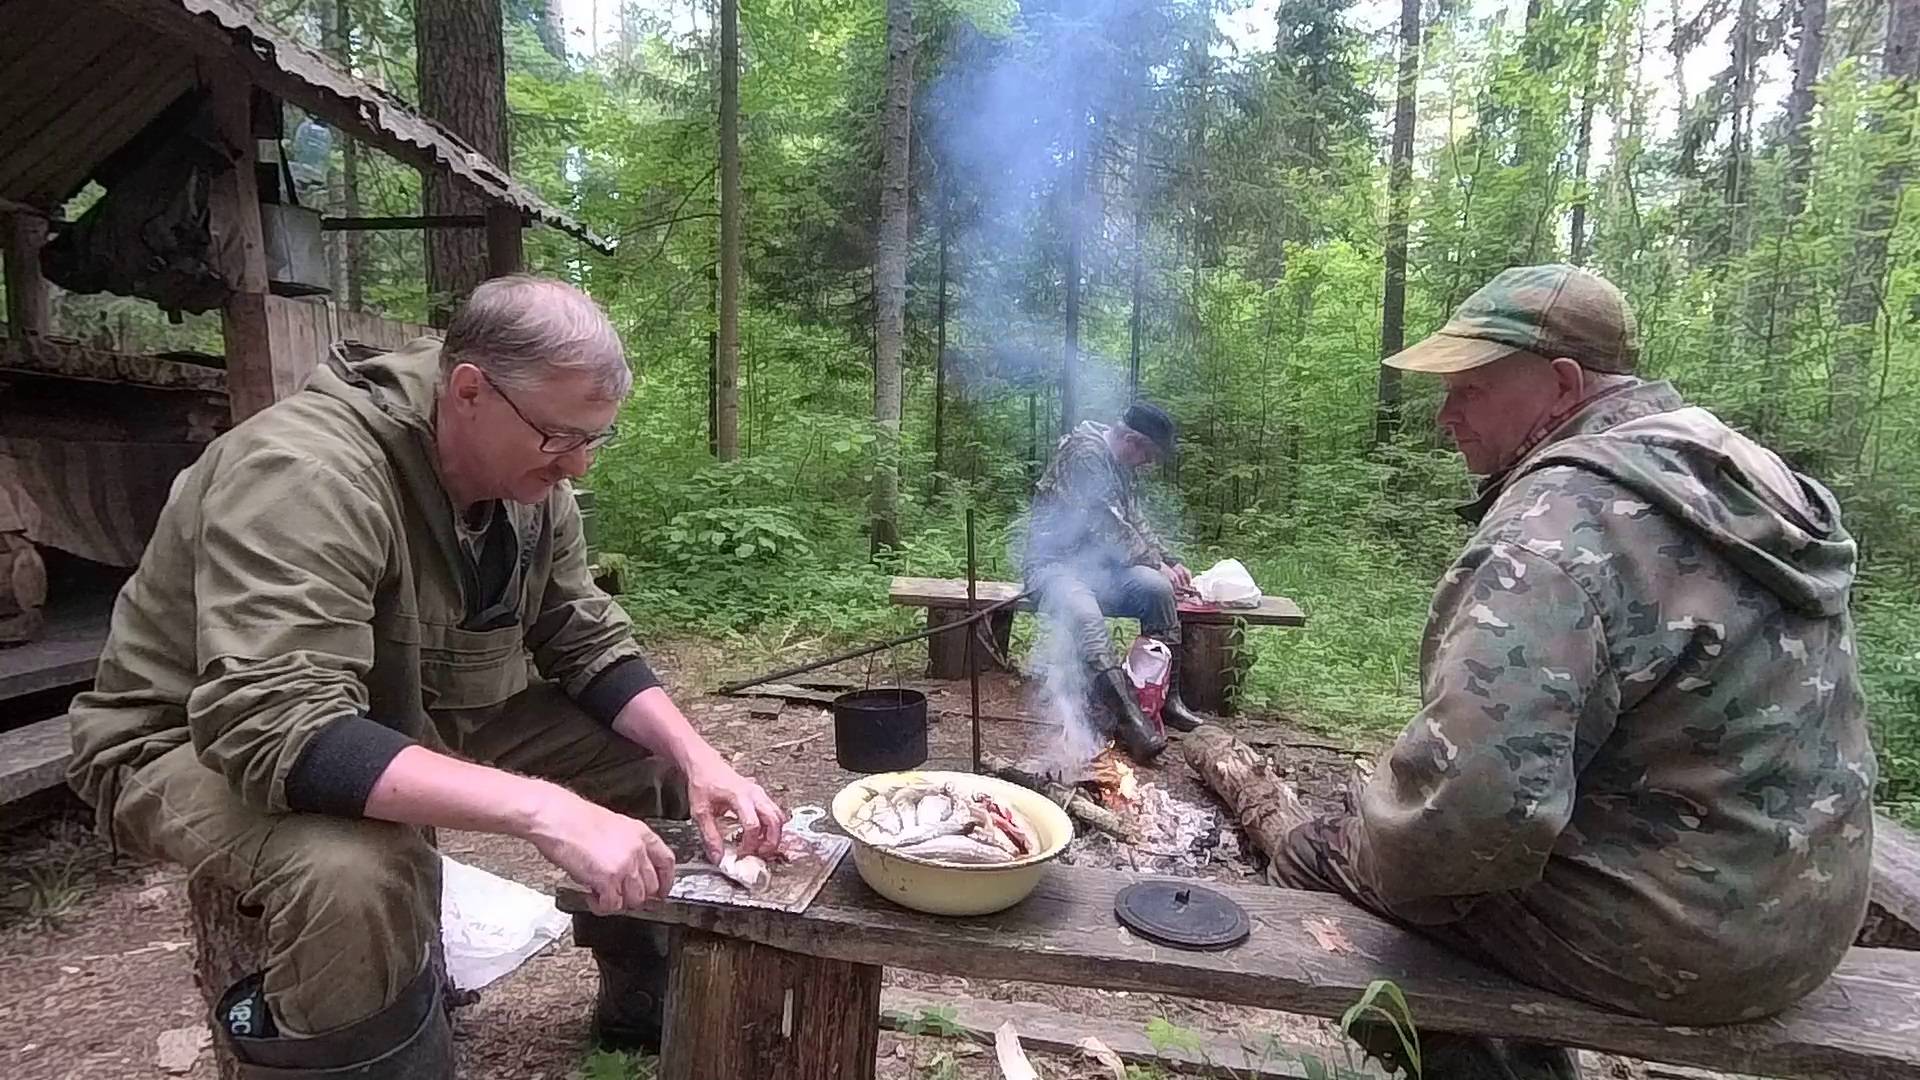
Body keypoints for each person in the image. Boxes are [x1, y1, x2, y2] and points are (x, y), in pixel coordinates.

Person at [65, 276, 786, 1078]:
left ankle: (642, 1000)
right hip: (190, 737)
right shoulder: (307, 472)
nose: (579, 465)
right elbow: (277, 727)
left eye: (595, 438)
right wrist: (546, 810)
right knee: (358, 873)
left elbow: (580, 635)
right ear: (470, 391)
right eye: (559, 437)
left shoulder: (528, 470)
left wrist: (697, 757)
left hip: (411, 700)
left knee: (648, 759)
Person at [1262, 264, 1877, 1078]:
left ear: (1560, 385)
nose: (1446, 416)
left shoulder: (1553, 526)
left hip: (1688, 947)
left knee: (1317, 858)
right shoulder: (1742, 478)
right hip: (1813, 912)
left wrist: (1365, 834)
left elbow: (1469, 818)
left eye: (1470, 389)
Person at [1022, 402, 1211, 762]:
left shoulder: (1120, 463)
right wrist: (1153, 561)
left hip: (1101, 568)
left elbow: (1133, 520)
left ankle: (1165, 699)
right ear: (1131, 440)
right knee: (1084, 613)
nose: (1147, 463)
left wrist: (1168, 560)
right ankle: (1128, 718)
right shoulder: (1085, 455)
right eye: (1148, 455)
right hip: (1053, 566)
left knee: (1157, 590)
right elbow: (1105, 523)